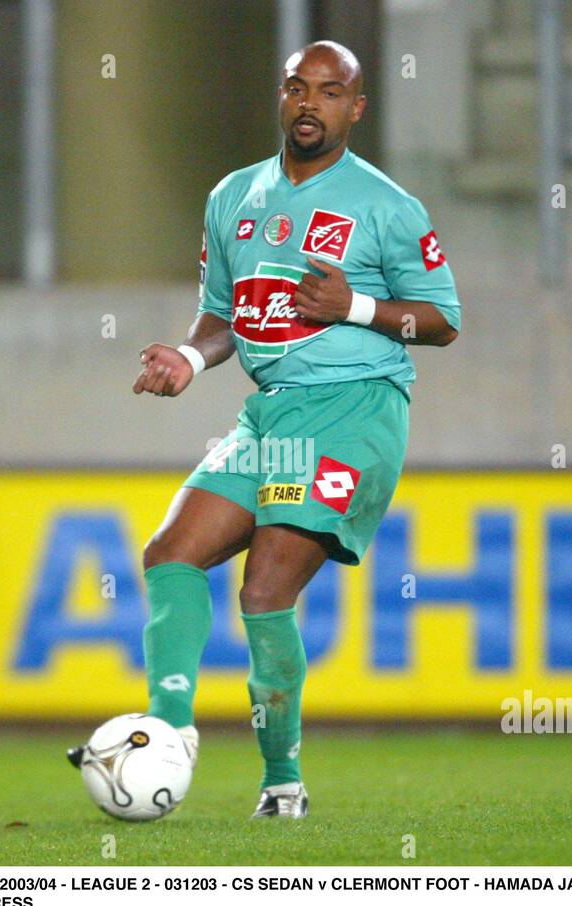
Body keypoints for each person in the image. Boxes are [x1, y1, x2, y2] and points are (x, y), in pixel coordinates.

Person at [70, 40, 461, 819]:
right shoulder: (234, 196)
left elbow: (443, 322)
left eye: (329, 90)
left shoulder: (385, 205)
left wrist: (353, 307)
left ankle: (282, 782)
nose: (309, 102)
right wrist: (189, 355)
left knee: (264, 589)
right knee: (171, 552)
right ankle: (173, 732)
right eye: (296, 87)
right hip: (272, 410)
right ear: (280, 98)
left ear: (356, 108)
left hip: (353, 411)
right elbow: (227, 312)